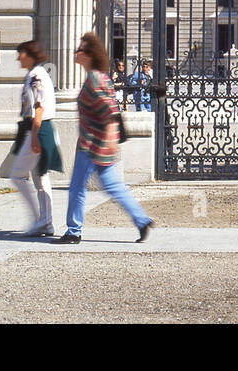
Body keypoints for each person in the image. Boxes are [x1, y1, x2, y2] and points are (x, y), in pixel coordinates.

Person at [58, 32, 154, 245]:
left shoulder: (94, 78)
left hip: (92, 144)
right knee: (114, 186)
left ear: (89, 54)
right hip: (98, 143)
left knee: (77, 187)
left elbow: (110, 110)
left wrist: (110, 138)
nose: (76, 53)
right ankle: (142, 220)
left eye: (80, 49)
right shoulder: (100, 76)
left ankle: (73, 231)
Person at [10, 40, 63, 237]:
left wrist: (34, 137)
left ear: (29, 54)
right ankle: (45, 221)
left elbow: (38, 107)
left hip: (37, 128)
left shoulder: (36, 75)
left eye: (21, 53)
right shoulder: (37, 74)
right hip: (38, 128)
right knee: (40, 177)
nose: (18, 58)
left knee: (17, 175)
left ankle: (39, 220)